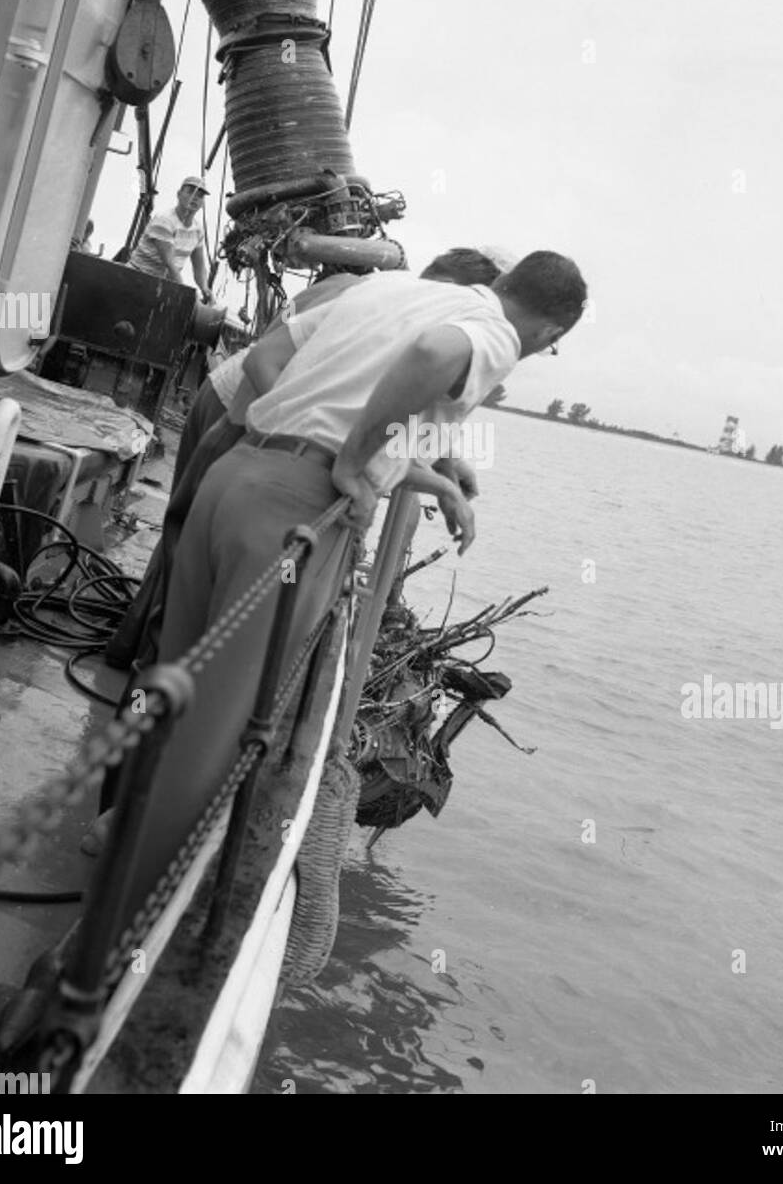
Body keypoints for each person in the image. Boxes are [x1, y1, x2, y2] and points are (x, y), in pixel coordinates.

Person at [85, 253, 585, 854]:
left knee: (173, 672)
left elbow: (322, 391)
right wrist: (352, 462)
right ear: (549, 333)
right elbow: (431, 357)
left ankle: (112, 823)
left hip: (236, 471)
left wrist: (436, 473)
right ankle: (115, 923)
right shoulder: (497, 334)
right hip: (296, 510)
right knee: (220, 725)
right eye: (548, 347)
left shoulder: (384, 290)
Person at [103, 249, 501, 671]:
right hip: (240, 425)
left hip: (241, 419)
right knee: (216, 563)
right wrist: (294, 420)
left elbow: (357, 407)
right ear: (454, 290)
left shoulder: (384, 301)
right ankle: (146, 677)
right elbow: (327, 413)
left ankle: (131, 662)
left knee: (190, 553)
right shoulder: (391, 306)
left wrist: (442, 459)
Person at [126, 176, 212, 301]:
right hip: (136, 278)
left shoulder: (198, 230)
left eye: (200, 195)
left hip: (160, 285)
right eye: (190, 192)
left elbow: (199, 267)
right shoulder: (164, 220)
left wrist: (205, 288)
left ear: (202, 203)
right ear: (179, 194)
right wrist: (188, 296)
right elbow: (170, 264)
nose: (195, 197)